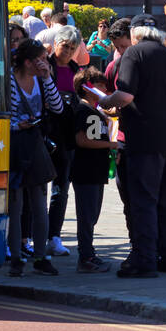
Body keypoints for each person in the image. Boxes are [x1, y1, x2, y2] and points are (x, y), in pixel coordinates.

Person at [101, 15, 166, 277]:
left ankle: (144, 260)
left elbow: (125, 95)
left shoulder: (133, 55)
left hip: (145, 136)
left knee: (143, 200)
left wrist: (105, 101)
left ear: (135, 33)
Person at [8, 38, 63, 277]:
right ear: (27, 61)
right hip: (14, 144)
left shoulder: (41, 79)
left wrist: (48, 78)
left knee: (40, 206)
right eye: (39, 60)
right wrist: (16, 124)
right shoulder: (8, 79)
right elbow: (0, 112)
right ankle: (16, 258)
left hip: (35, 144)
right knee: (16, 206)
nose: (43, 63)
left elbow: (58, 107)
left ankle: (41, 256)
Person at [44, 24, 84, 257]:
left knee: (61, 189)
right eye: (64, 46)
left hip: (67, 135)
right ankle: (30, 235)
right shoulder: (45, 66)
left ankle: (54, 236)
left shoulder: (74, 68)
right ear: (56, 44)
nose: (67, 51)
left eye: (72, 47)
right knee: (37, 188)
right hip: (46, 133)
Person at [71, 66, 115, 273]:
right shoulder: (83, 110)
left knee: (93, 215)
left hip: (96, 170)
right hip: (86, 170)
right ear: (87, 88)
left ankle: (88, 254)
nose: (105, 90)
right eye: (100, 85)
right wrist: (111, 145)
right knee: (87, 216)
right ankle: (85, 257)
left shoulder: (95, 111)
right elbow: (82, 140)